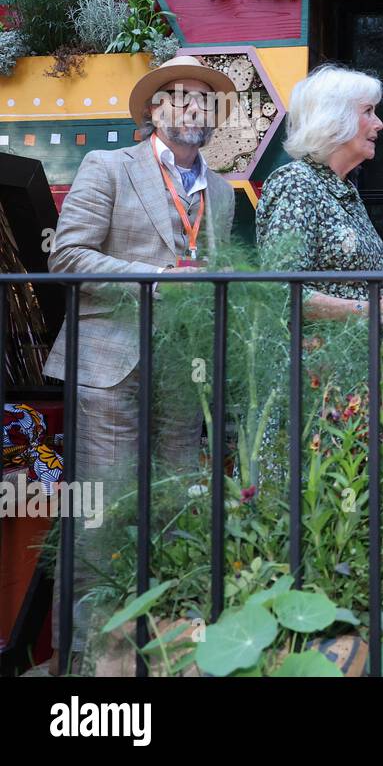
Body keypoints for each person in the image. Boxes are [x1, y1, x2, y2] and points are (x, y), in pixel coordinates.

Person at [43, 54, 240, 667]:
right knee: (102, 514)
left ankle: (161, 656)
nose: (190, 105)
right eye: (176, 95)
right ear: (153, 111)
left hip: (185, 374)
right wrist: (157, 278)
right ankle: (86, 660)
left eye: (202, 97)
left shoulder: (226, 192)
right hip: (109, 367)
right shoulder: (107, 165)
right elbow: (67, 258)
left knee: (176, 509)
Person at [255, 63, 383, 334]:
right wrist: (374, 311)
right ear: (334, 119)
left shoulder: (346, 189)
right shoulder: (297, 182)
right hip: (312, 365)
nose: (380, 124)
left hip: (353, 361)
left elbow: (348, 285)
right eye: (368, 111)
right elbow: (281, 292)